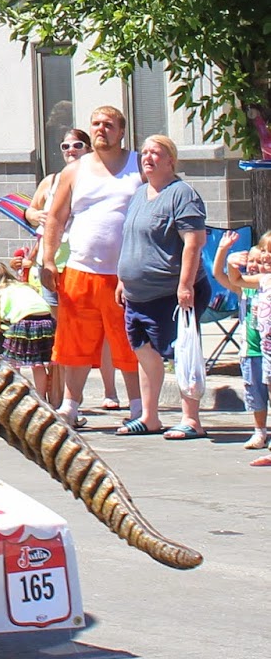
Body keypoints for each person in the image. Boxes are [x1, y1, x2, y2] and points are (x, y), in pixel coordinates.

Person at [40, 104, 142, 429]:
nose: (101, 129)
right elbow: (56, 218)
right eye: (96, 123)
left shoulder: (138, 165)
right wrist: (46, 259)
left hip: (125, 274)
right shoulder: (76, 170)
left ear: (121, 131)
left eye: (109, 124)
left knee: (127, 340)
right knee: (74, 342)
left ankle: (139, 406)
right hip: (80, 270)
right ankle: (71, 405)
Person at [114, 134, 210, 439]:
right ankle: (149, 416)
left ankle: (191, 419)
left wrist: (185, 285)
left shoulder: (182, 194)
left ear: (171, 160)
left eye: (156, 153)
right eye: (144, 153)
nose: (148, 158)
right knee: (145, 353)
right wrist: (121, 280)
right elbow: (132, 239)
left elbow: (193, 243)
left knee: (182, 353)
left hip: (171, 293)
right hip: (136, 295)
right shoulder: (140, 193)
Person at [214, 228, 271, 453]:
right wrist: (226, 254)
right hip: (252, 349)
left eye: (265, 258)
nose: (259, 264)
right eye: (254, 260)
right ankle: (259, 431)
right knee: (255, 393)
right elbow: (222, 275)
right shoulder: (248, 288)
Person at [0, 257, 54, 400]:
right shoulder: (23, 286)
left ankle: (17, 395)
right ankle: (41, 398)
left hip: (24, 320)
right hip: (47, 319)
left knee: (13, 362)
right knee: (38, 363)